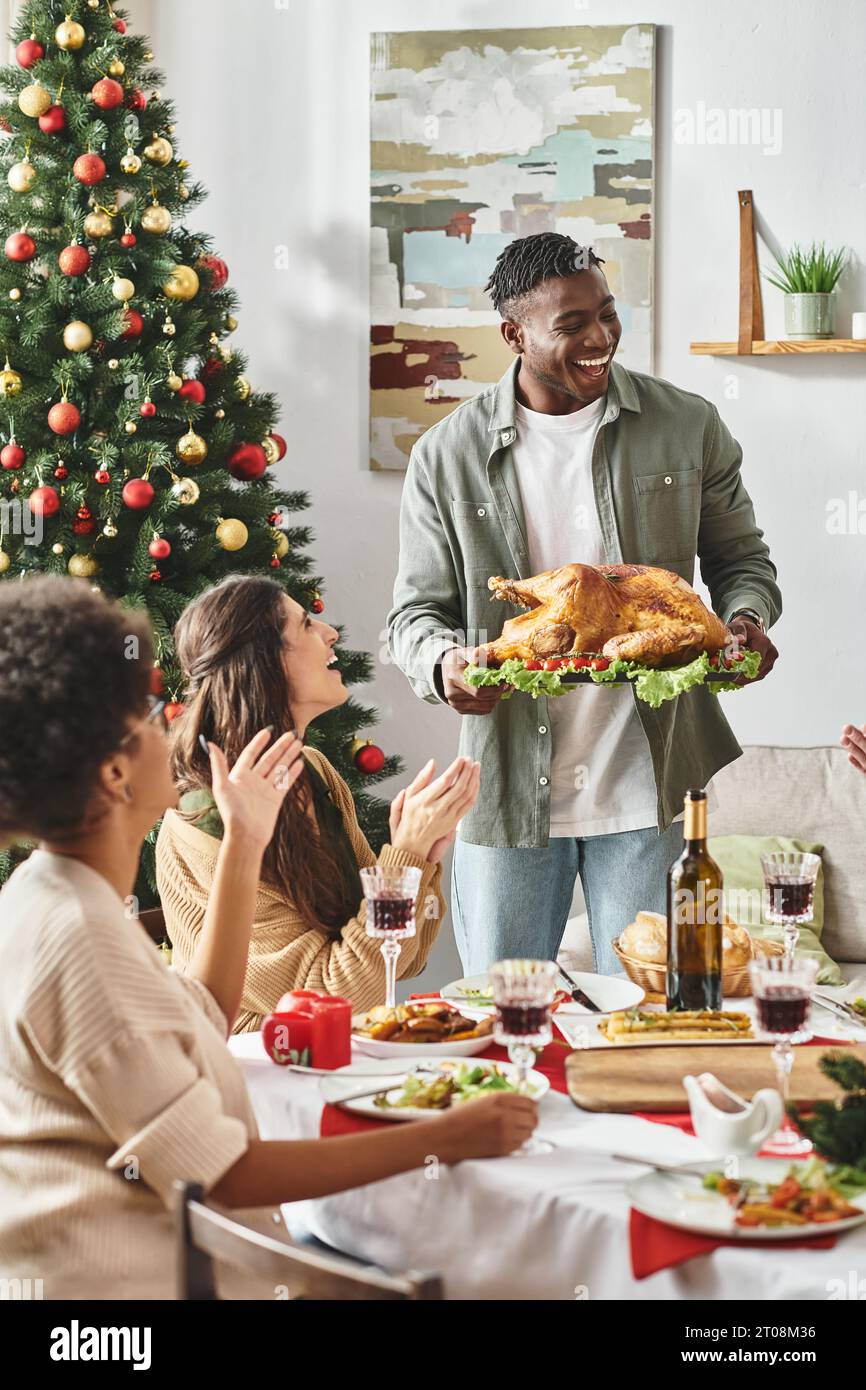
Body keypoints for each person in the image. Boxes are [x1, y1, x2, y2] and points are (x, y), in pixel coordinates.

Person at [0, 577, 535, 1300]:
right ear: (115, 773)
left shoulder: (51, 893)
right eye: (148, 718)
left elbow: (203, 1014)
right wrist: (449, 1137)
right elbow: (222, 1173)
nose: (176, 726)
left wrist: (248, 838)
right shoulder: (80, 938)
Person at [388, 232, 782, 976]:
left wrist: (745, 624)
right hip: (508, 789)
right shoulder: (446, 456)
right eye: (572, 326)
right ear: (515, 334)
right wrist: (447, 667)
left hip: (647, 779)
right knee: (508, 1022)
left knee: (651, 1015)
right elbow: (414, 616)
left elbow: (742, 562)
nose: (601, 338)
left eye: (607, 314)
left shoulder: (688, 426)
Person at [157, 574, 480, 1028]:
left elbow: (400, 962)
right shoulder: (204, 821)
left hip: (343, 1050)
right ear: (263, 663)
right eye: (306, 625)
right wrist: (404, 860)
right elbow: (330, 993)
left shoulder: (315, 771)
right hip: (263, 1072)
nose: (331, 633)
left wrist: (420, 854)